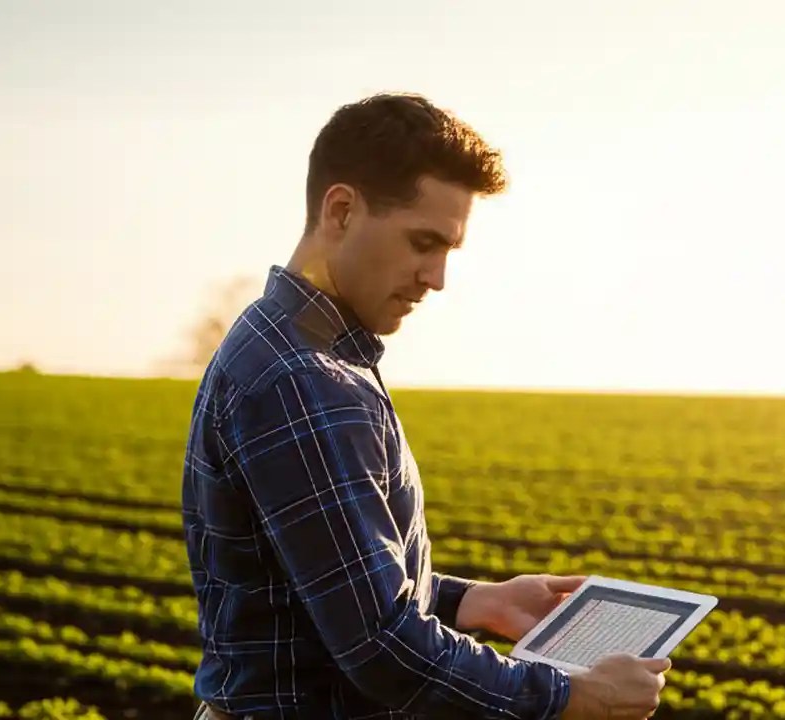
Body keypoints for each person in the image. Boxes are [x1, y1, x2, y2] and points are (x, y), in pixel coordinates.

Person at [181, 92, 670, 720]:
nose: (435, 277)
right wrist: (573, 696)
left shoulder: (286, 343)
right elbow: (382, 648)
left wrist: (473, 601)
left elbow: (327, 587)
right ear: (341, 210)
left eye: (447, 252)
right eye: (422, 243)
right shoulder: (303, 381)